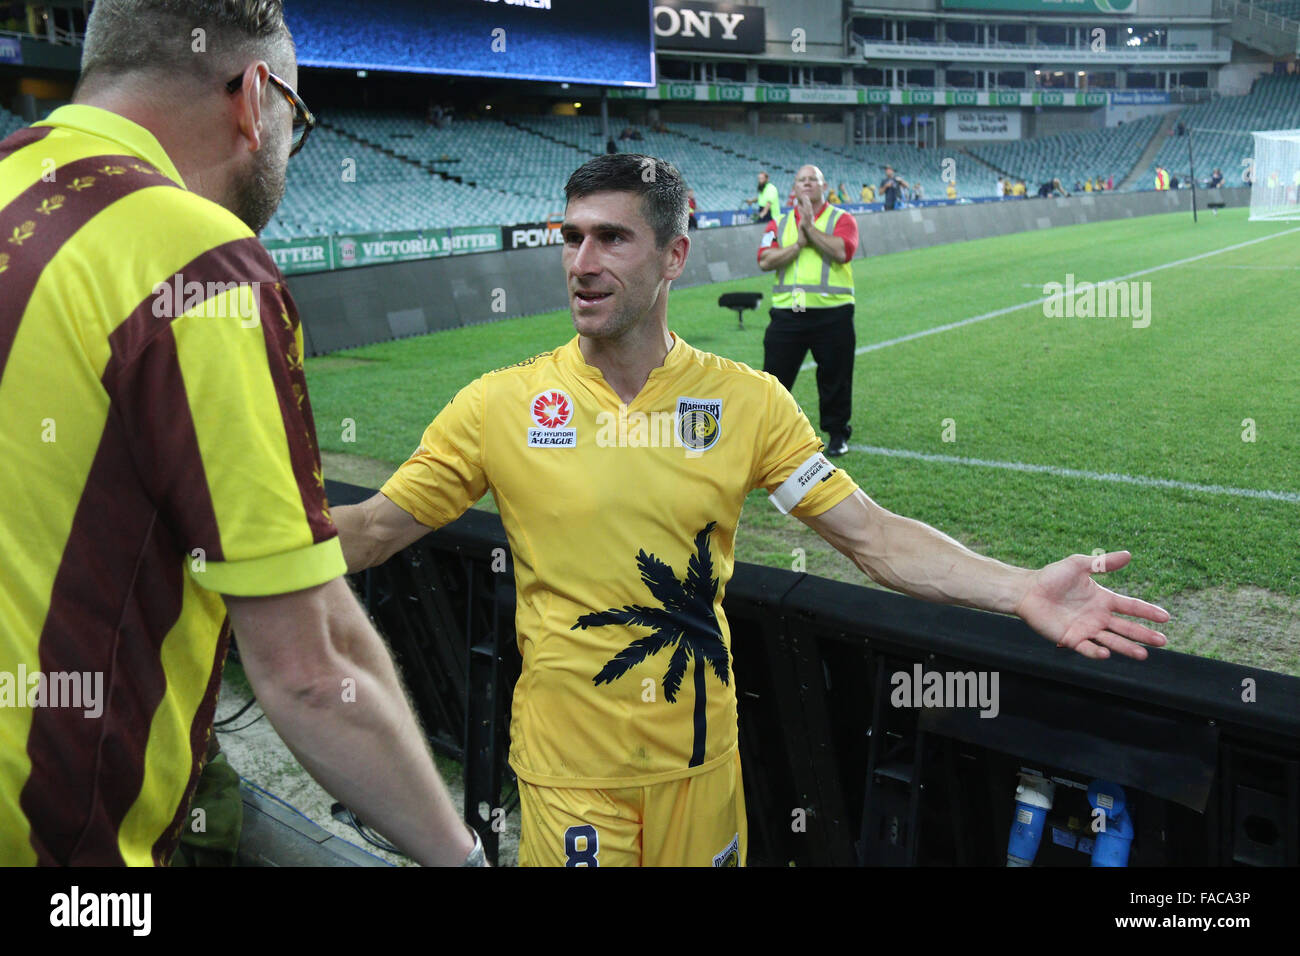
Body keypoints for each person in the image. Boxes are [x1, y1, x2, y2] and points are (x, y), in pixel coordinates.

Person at [333, 153, 1171, 868]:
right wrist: (228, 551)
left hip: (702, 765)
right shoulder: (498, 405)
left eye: (613, 238)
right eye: (571, 237)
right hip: (567, 774)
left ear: (675, 257)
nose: (582, 261)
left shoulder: (748, 403)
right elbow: (372, 530)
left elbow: (873, 538)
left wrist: (1018, 587)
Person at [0, 0, 476, 867]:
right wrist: (463, 858)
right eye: (297, 115)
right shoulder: (196, 260)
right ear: (256, 96)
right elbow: (309, 670)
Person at [758, 164, 859, 458]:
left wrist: (809, 229)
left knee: (836, 377)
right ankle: (770, 436)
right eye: (801, 180)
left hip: (833, 312)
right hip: (788, 315)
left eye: (813, 179)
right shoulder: (778, 222)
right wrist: (799, 244)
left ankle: (837, 433)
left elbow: (842, 252)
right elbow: (765, 260)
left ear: (823, 185)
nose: (807, 184)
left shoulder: (842, 218)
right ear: (794, 187)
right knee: (774, 380)